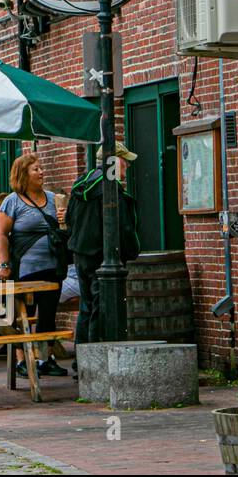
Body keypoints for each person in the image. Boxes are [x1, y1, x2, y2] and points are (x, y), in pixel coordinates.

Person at [0, 152, 69, 378]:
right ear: (23, 174)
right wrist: (4, 263)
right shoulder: (12, 201)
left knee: (48, 314)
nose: (41, 172)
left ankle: (45, 359)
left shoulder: (53, 198)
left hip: (53, 266)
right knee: (24, 315)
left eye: (41, 168)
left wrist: (64, 220)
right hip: (24, 268)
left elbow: (63, 231)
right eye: (36, 169)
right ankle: (22, 360)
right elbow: (1, 235)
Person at [66, 140, 142, 349]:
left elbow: (69, 219)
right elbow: (123, 227)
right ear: (114, 162)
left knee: (87, 305)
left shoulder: (81, 184)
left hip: (80, 253)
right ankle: (95, 356)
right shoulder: (110, 189)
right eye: (125, 161)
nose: (128, 166)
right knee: (100, 307)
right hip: (102, 256)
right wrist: (130, 251)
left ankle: (81, 356)